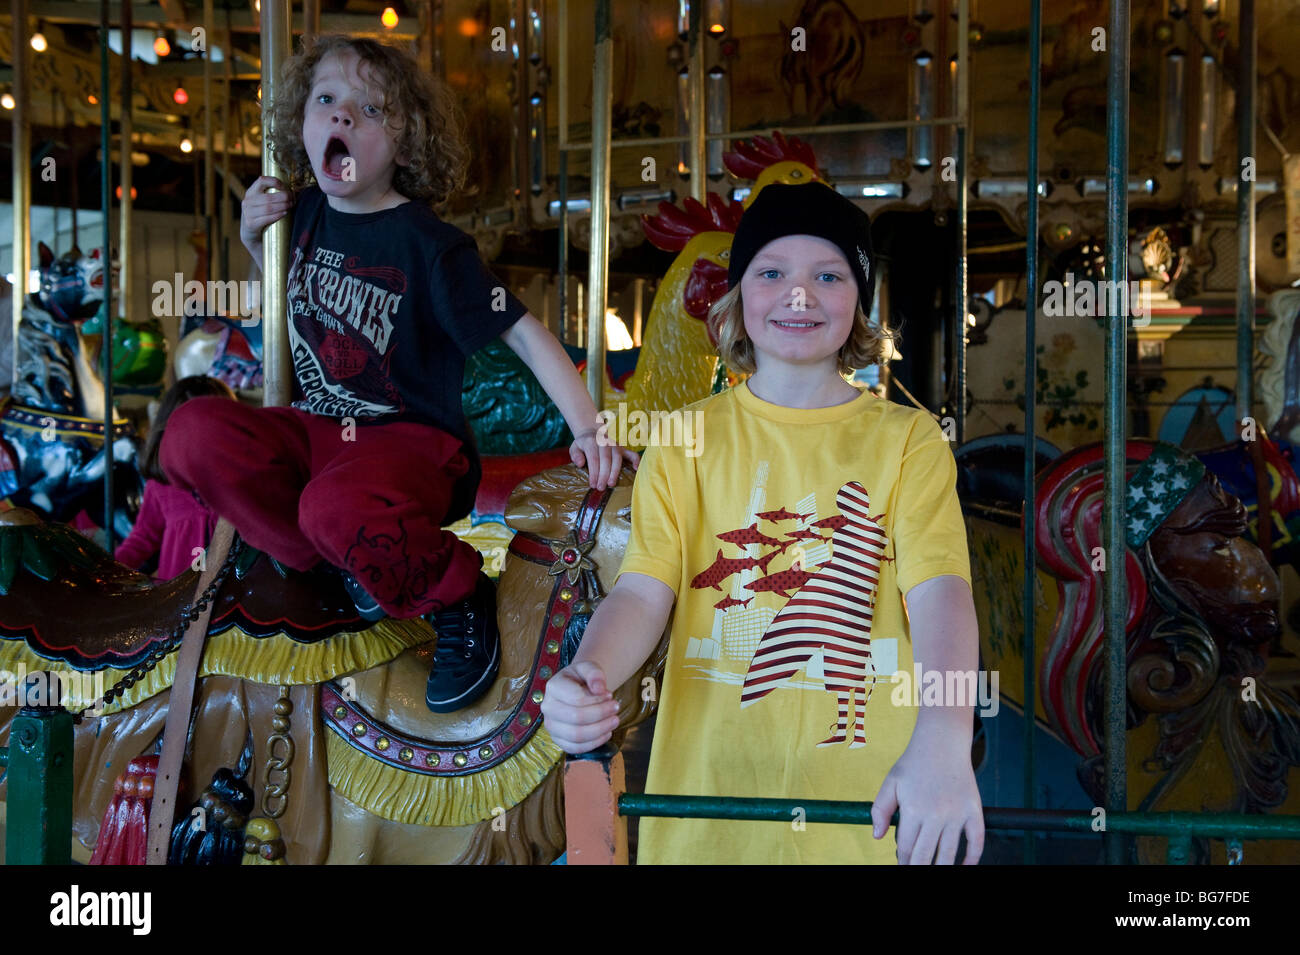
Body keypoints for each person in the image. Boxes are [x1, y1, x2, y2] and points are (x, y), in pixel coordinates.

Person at [161, 35, 636, 714]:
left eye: (369, 109)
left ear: (408, 147)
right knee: (190, 432)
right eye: (326, 100)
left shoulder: (433, 247)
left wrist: (589, 426)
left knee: (333, 506)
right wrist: (251, 238)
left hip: (407, 444)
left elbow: (523, 332)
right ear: (302, 123)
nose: (342, 117)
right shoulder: (298, 218)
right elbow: (284, 315)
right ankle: (328, 568)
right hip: (319, 429)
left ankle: (457, 590)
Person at [541, 182, 984, 864]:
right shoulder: (684, 436)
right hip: (709, 809)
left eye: (828, 275)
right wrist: (588, 670)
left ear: (859, 301)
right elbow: (641, 590)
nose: (798, 294)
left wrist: (946, 738)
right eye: (772, 272)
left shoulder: (909, 440)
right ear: (738, 299)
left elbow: (940, 593)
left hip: (863, 812)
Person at [116, 376, 237, 579]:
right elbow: (144, 536)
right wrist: (112, 568)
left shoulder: (238, 478)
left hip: (231, 586)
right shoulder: (161, 484)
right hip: (177, 591)